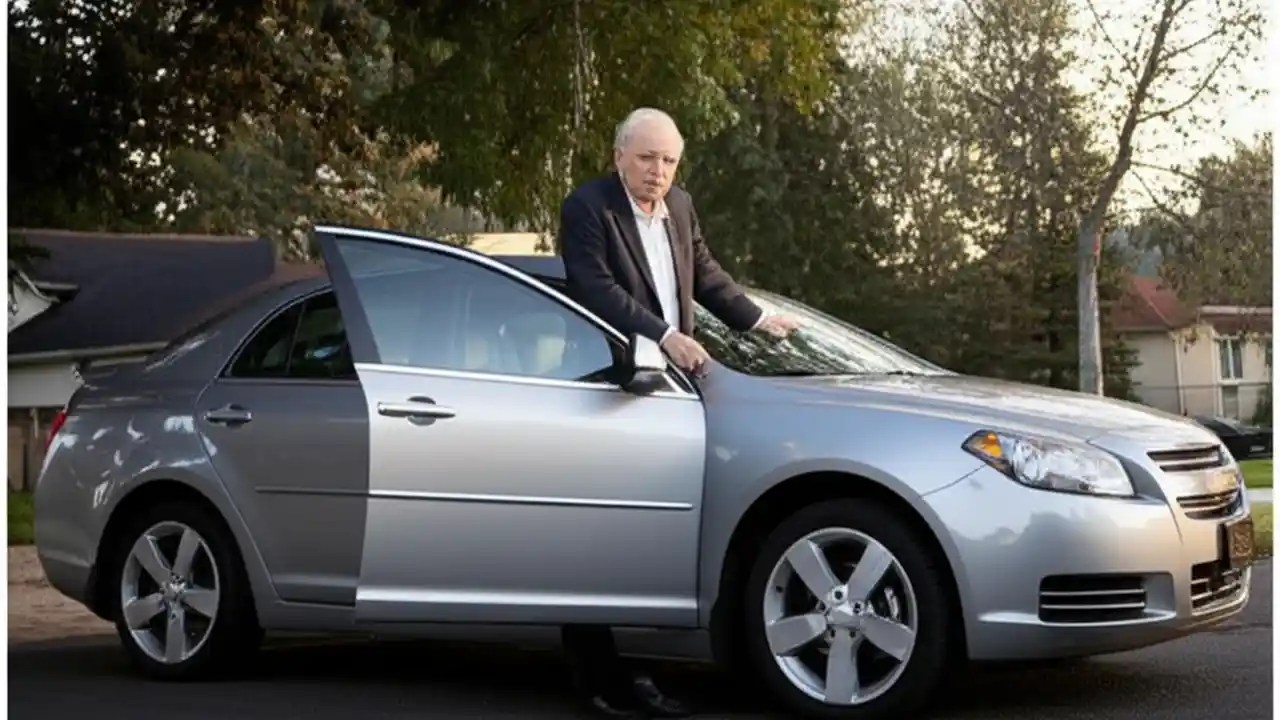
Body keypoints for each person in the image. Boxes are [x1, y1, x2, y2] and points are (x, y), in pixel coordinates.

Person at [555, 108, 799, 717]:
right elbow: (595, 290)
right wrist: (665, 335)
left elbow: (706, 275)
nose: (657, 172)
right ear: (619, 157)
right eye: (646, 158)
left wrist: (757, 319)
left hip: (667, 394)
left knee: (649, 533)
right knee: (596, 539)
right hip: (604, 389)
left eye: (668, 161)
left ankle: (638, 671)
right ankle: (601, 677)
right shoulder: (587, 208)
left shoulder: (681, 207)